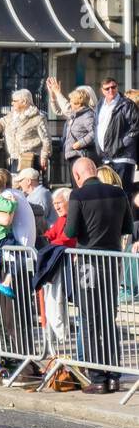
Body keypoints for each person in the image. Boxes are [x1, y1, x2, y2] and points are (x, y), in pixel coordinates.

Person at [64, 158, 130, 393]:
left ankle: (97, 377)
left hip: (87, 264)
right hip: (112, 262)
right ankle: (114, 375)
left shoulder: (78, 196)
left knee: (90, 319)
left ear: (78, 175)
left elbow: (70, 231)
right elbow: (127, 228)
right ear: (94, 170)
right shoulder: (119, 194)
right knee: (108, 319)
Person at [0, 89, 51, 173]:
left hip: (30, 159)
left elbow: (46, 140)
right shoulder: (12, 116)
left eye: (15, 101)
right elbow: (1, 122)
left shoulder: (38, 118)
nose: (12, 103)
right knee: (15, 183)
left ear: (24, 102)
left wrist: (44, 157)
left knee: (27, 183)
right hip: (14, 158)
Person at [92, 77, 139, 190]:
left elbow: (135, 128)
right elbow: (95, 127)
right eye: (107, 88)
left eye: (113, 87)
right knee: (108, 193)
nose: (111, 90)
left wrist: (121, 144)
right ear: (102, 90)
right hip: (106, 158)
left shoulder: (126, 104)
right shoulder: (99, 105)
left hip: (123, 157)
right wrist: (99, 147)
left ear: (117, 87)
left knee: (122, 192)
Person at [46, 79, 98, 167]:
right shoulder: (76, 112)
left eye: (75, 99)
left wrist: (57, 92)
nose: (71, 102)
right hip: (73, 154)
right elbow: (59, 110)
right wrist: (53, 96)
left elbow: (94, 132)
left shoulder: (88, 113)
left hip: (82, 154)